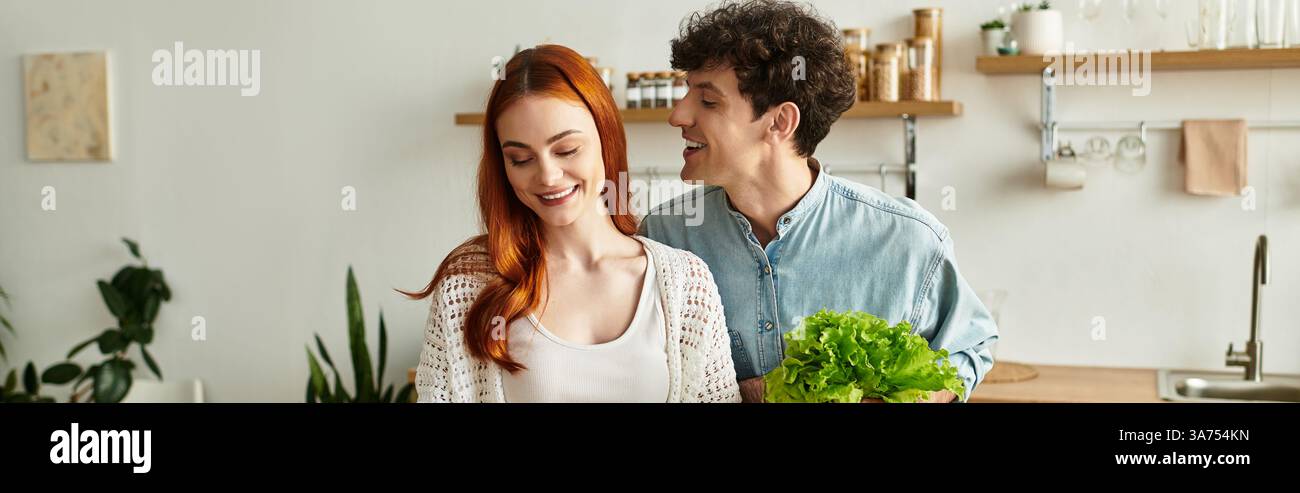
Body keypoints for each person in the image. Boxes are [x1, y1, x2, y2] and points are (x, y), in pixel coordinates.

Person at [640, 0, 999, 403]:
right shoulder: (664, 236)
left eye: (707, 101)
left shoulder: (908, 240)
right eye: (687, 93)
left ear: (780, 122)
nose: (677, 115)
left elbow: (971, 346)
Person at [407, 44, 740, 403]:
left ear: (606, 138)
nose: (548, 176)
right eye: (520, 159)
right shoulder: (469, 286)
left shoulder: (686, 283)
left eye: (566, 150)